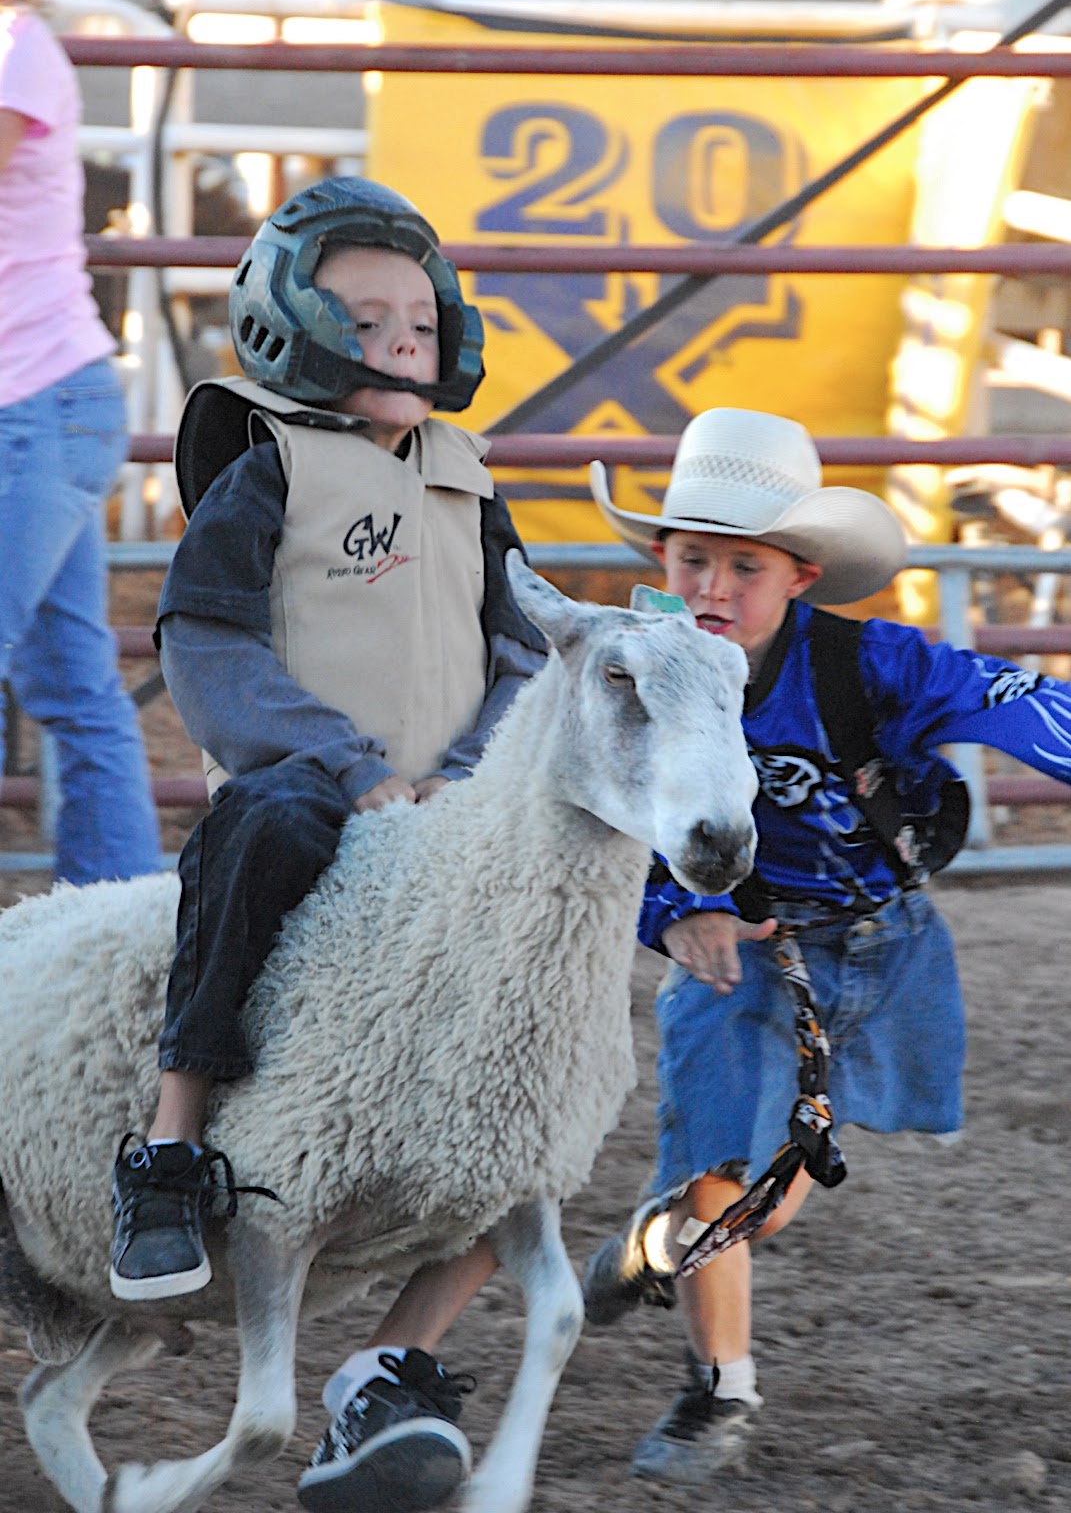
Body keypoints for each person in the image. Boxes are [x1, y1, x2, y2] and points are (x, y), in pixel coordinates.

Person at [105, 173, 548, 1513]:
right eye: (365, 318)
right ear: (290, 326)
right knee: (265, 822)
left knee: (547, 999)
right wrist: (352, 770)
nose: (404, 336)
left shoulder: (470, 481)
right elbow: (212, 646)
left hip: (454, 812)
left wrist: (472, 777)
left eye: (420, 315)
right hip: (307, 788)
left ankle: (401, 1351)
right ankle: (170, 1145)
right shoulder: (267, 469)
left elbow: (522, 650)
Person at [583, 406, 1071, 1487]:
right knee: (720, 1169)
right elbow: (597, 813)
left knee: (769, 1193)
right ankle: (719, 1388)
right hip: (740, 953)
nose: (712, 588)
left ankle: (656, 1247)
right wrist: (674, 910)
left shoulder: (870, 664)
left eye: (743, 566)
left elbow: (1012, 699)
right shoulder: (632, 680)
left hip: (881, 947)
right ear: (661, 559)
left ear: (800, 575)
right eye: (692, 559)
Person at [0, 0, 160, 885]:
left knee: (76, 693)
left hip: (34, 406)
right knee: (75, 689)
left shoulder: (15, 48)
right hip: (45, 403)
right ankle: (119, 925)